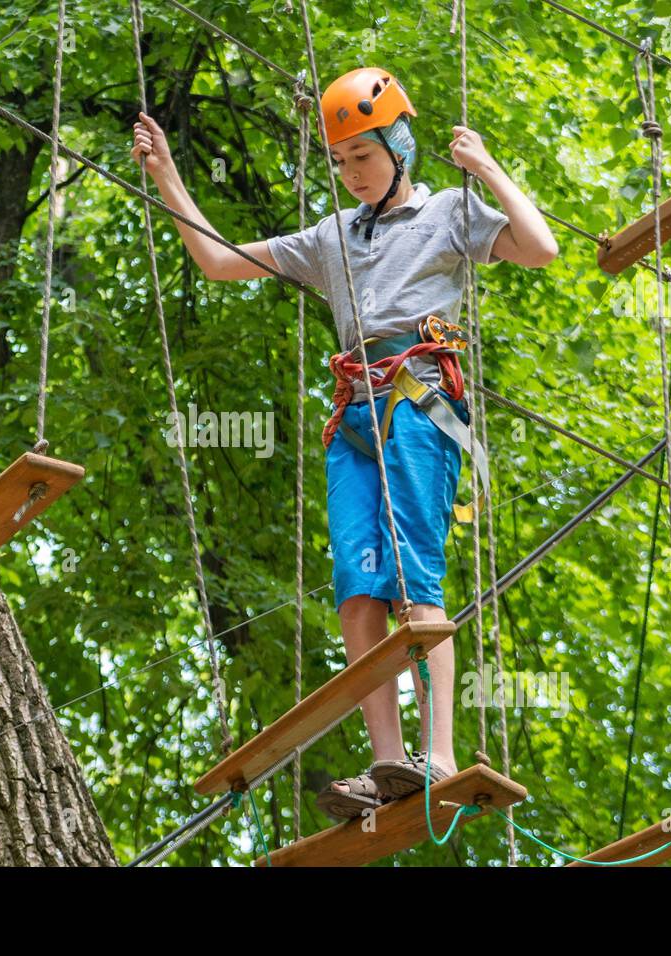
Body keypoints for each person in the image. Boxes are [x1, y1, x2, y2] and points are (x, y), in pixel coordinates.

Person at [131, 66, 557, 819]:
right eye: (338, 162)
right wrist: (168, 179)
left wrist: (486, 166)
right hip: (354, 418)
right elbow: (221, 262)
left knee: (413, 581)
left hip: (419, 405)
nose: (351, 173)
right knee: (358, 594)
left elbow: (541, 247)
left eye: (363, 155)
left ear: (399, 146)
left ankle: (442, 753)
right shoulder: (332, 236)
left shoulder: (450, 212)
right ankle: (389, 762)